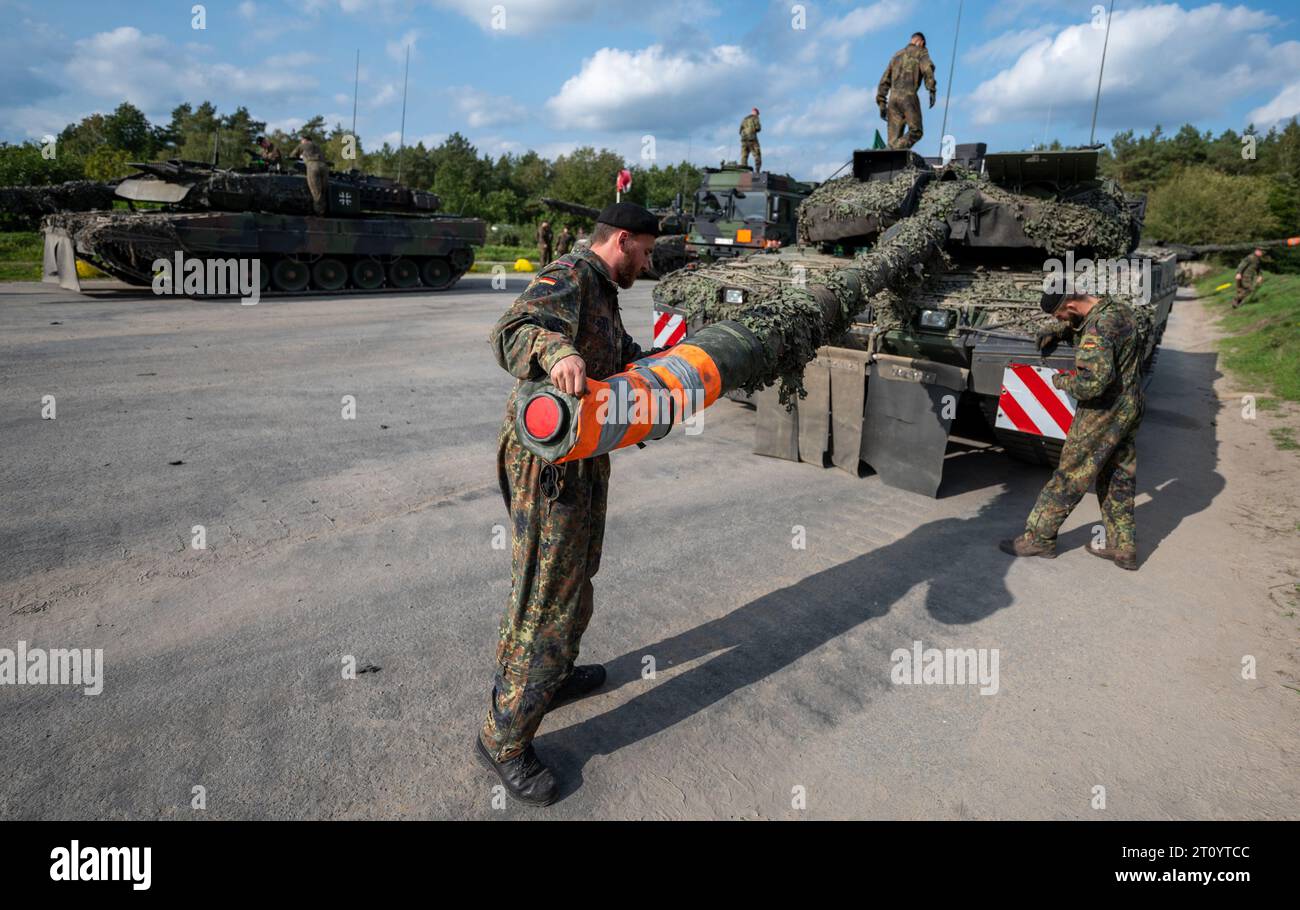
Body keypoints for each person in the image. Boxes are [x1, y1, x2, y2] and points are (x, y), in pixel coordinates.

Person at [478, 202, 663, 806]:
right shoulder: (570, 275)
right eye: (647, 251)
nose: (650, 261)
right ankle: (503, 740)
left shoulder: (605, 290)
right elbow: (512, 331)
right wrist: (556, 354)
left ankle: (550, 677)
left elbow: (622, 353)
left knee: (578, 575)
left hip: (583, 453)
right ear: (625, 241)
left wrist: (665, 368)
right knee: (545, 594)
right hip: (547, 458)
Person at [1000, 290, 1144, 570]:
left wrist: (1062, 382)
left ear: (1070, 305)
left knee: (1070, 475)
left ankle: (1039, 537)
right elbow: (1099, 335)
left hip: (1103, 412)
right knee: (1118, 476)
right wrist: (1061, 330)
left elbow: (1092, 384)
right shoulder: (1119, 310)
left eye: (1060, 315)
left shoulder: (1096, 330)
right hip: (1131, 405)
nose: (1060, 319)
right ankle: (1123, 546)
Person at [876, 32, 937, 150]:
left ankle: (891, 152)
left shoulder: (896, 56)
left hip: (893, 100)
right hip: (908, 98)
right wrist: (931, 89)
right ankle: (894, 148)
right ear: (921, 42)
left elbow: (884, 80)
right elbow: (927, 68)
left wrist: (882, 102)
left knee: (893, 138)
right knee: (916, 131)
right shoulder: (921, 51)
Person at [290, 136, 328, 215]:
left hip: (313, 166)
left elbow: (292, 155)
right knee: (323, 191)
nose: (301, 142)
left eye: (301, 140)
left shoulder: (304, 145)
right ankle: (325, 211)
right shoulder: (317, 145)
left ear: (304, 140)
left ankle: (319, 214)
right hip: (324, 167)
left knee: (316, 192)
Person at [740, 107, 762, 172]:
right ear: (755, 113)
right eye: (757, 114)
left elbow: (740, 130)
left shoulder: (744, 119)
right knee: (757, 154)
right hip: (752, 138)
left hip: (744, 139)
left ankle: (743, 170)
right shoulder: (755, 118)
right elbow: (758, 128)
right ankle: (757, 170)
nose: (758, 115)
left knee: (744, 155)